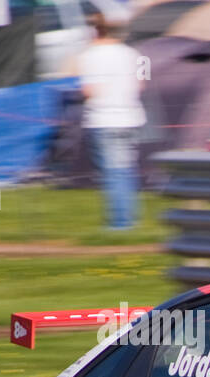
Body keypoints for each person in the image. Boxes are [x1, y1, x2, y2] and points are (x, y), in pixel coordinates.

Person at [77, 14, 146, 230]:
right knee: (126, 170)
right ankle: (130, 218)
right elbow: (142, 83)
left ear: (95, 31)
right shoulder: (134, 54)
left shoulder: (90, 56)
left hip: (104, 119)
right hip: (131, 117)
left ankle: (120, 224)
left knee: (114, 173)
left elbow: (88, 90)